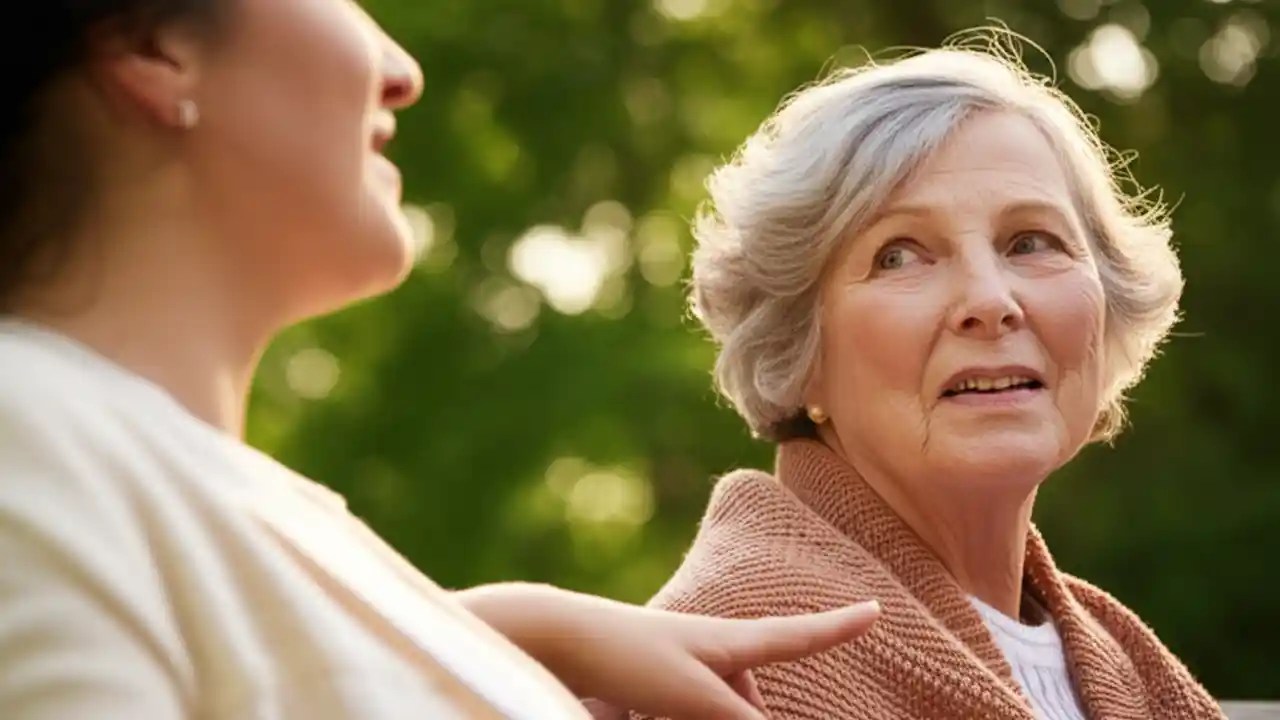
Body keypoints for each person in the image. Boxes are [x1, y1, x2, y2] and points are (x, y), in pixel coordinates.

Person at [0, 2, 883, 719]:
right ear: (155, 48)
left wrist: (525, 630)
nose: (401, 70)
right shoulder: (32, 440)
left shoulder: (217, 498)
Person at [641, 40, 1226, 720]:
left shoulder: (1125, 663)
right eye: (899, 256)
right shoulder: (735, 659)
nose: (991, 300)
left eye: (1031, 242)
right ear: (796, 348)